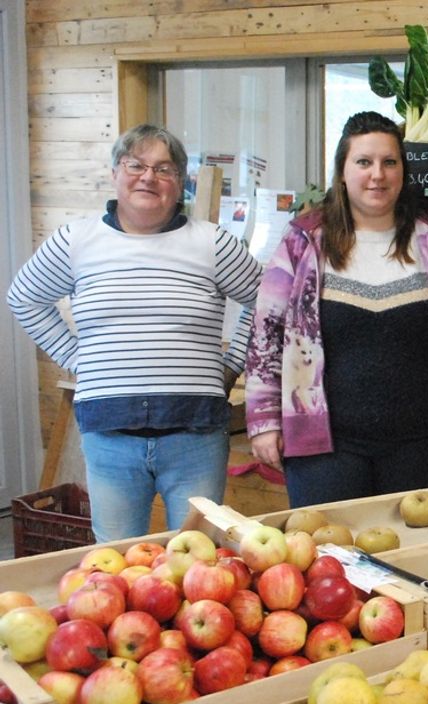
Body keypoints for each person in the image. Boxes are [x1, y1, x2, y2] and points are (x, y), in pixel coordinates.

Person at [6, 123, 261, 541]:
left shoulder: (213, 243)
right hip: (110, 436)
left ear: (180, 183)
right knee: (119, 566)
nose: (148, 177)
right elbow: (24, 299)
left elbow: (268, 303)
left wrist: (232, 363)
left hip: (194, 436)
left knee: (200, 561)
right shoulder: (75, 240)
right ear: (115, 173)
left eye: (164, 169)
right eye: (136, 165)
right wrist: (78, 360)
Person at [245, 111, 428, 506]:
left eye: (389, 162)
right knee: (329, 561)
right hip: (324, 450)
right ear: (342, 171)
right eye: (364, 162)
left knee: (413, 560)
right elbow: (266, 334)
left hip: (421, 448)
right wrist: (264, 420)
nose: (378, 174)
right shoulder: (303, 242)